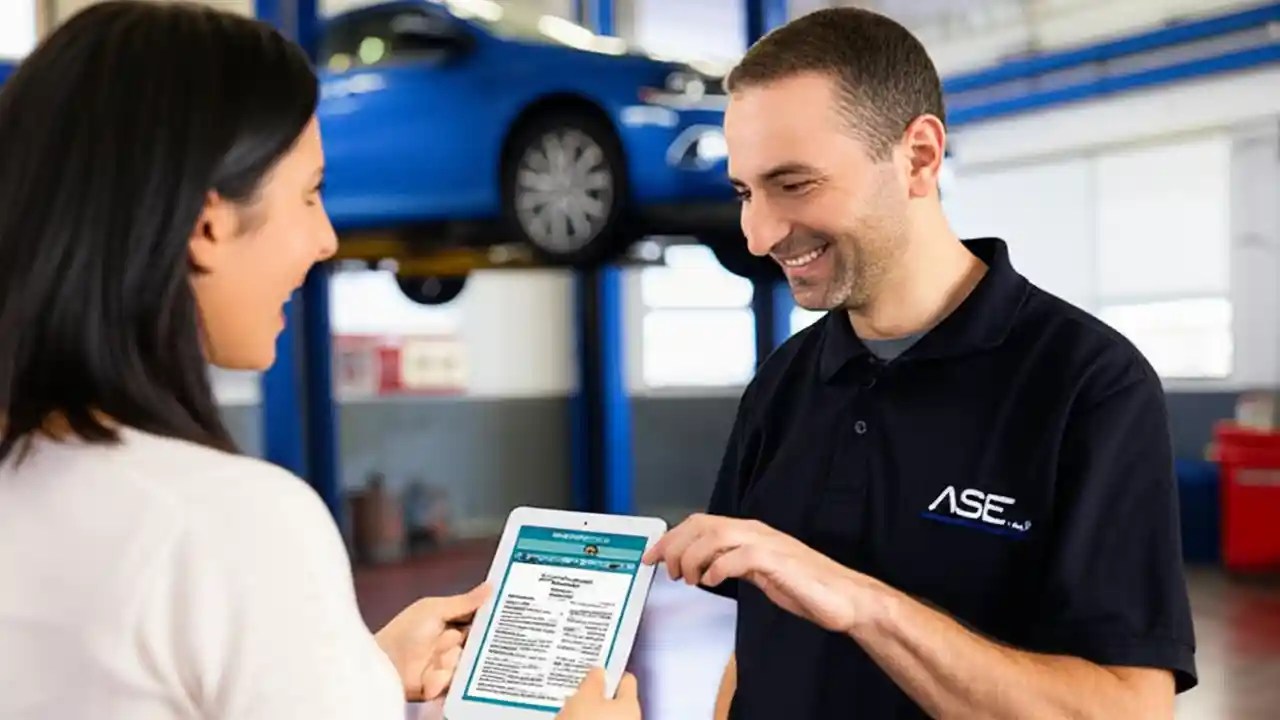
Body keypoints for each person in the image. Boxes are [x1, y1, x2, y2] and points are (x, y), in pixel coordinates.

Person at [0, 4, 638, 719]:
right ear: (208, 225)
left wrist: (351, 670)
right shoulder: (233, 522)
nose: (326, 239)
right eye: (308, 194)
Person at [643, 7, 1197, 720]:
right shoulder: (783, 384)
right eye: (746, 192)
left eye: (795, 184)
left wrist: (861, 603)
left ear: (919, 157)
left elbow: (1129, 709)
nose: (757, 236)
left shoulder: (1087, 385)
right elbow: (757, 651)